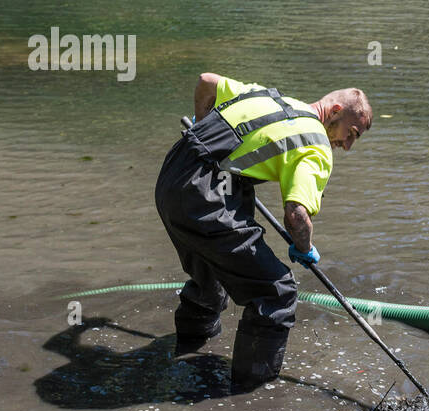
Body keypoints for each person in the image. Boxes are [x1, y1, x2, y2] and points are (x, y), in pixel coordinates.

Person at [155, 74, 372, 391]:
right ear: (336, 109)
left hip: (174, 176)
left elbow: (206, 81)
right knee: (277, 292)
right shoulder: (317, 145)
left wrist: (204, 134)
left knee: (211, 277)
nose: (348, 146)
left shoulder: (266, 96)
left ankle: (187, 357)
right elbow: (297, 214)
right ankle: (249, 398)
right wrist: (304, 246)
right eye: (351, 133)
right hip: (204, 199)